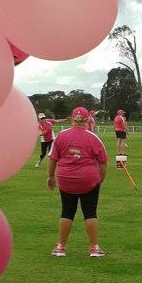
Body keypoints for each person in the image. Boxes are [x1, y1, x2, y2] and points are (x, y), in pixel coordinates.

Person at [46, 107, 108, 258]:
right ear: (87, 120)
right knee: (90, 212)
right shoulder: (93, 138)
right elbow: (103, 162)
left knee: (67, 211)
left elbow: (53, 158)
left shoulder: (61, 136)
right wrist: (100, 180)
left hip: (66, 179)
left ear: (73, 119)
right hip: (88, 180)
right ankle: (94, 248)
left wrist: (50, 177)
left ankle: (61, 247)